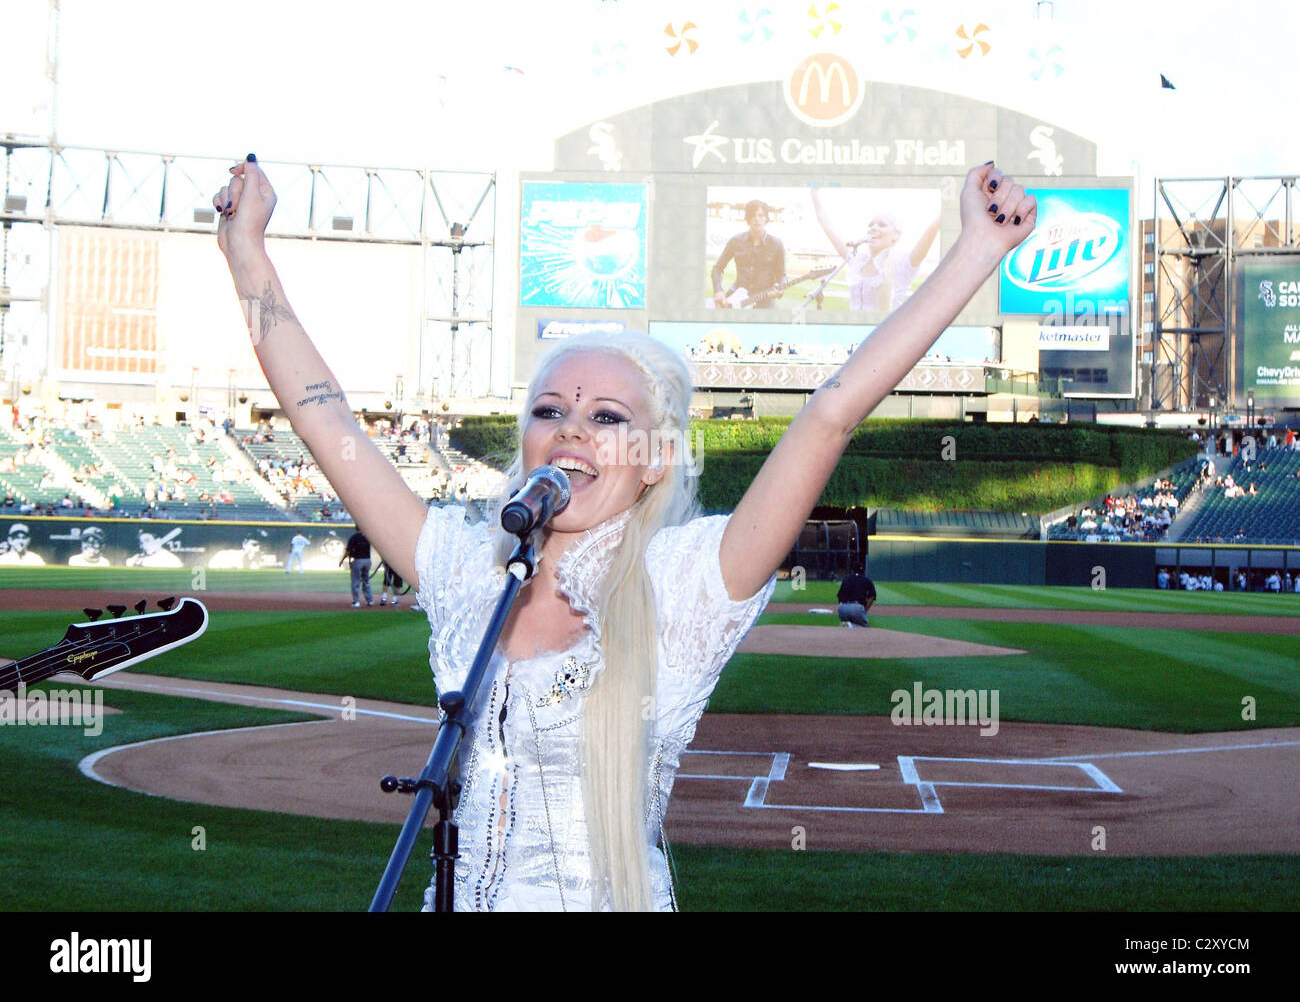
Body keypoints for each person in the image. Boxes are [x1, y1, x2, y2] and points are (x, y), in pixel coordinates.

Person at [214, 154, 1034, 911]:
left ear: (653, 460)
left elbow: (829, 416)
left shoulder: (681, 585)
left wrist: (975, 249)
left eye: (607, 417)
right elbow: (324, 417)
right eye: (550, 410)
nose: (571, 430)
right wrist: (245, 249)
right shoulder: (468, 574)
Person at [811, 187, 941, 312]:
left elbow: (933, 227)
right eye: (871, 225)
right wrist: (814, 192)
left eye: (882, 225)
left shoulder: (903, 262)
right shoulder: (857, 259)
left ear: (896, 235)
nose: (873, 227)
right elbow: (827, 225)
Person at [709, 199, 786, 309]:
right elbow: (717, 268)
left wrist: (780, 289)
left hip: (765, 302)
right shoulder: (735, 241)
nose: (757, 219)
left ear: (766, 218)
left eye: (761, 215)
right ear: (747, 218)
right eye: (752, 215)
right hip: (736, 298)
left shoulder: (776, 244)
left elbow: (782, 275)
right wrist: (718, 290)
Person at [341, 526, 373, 608]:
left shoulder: (354, 537)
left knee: (355, 582)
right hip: (367, 560)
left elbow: (348, 551)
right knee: (366, 581)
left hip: (358, 560)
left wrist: (342, 560)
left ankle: (356, 602)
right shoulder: (368, 537)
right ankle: (370, 600)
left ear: (356, 528)